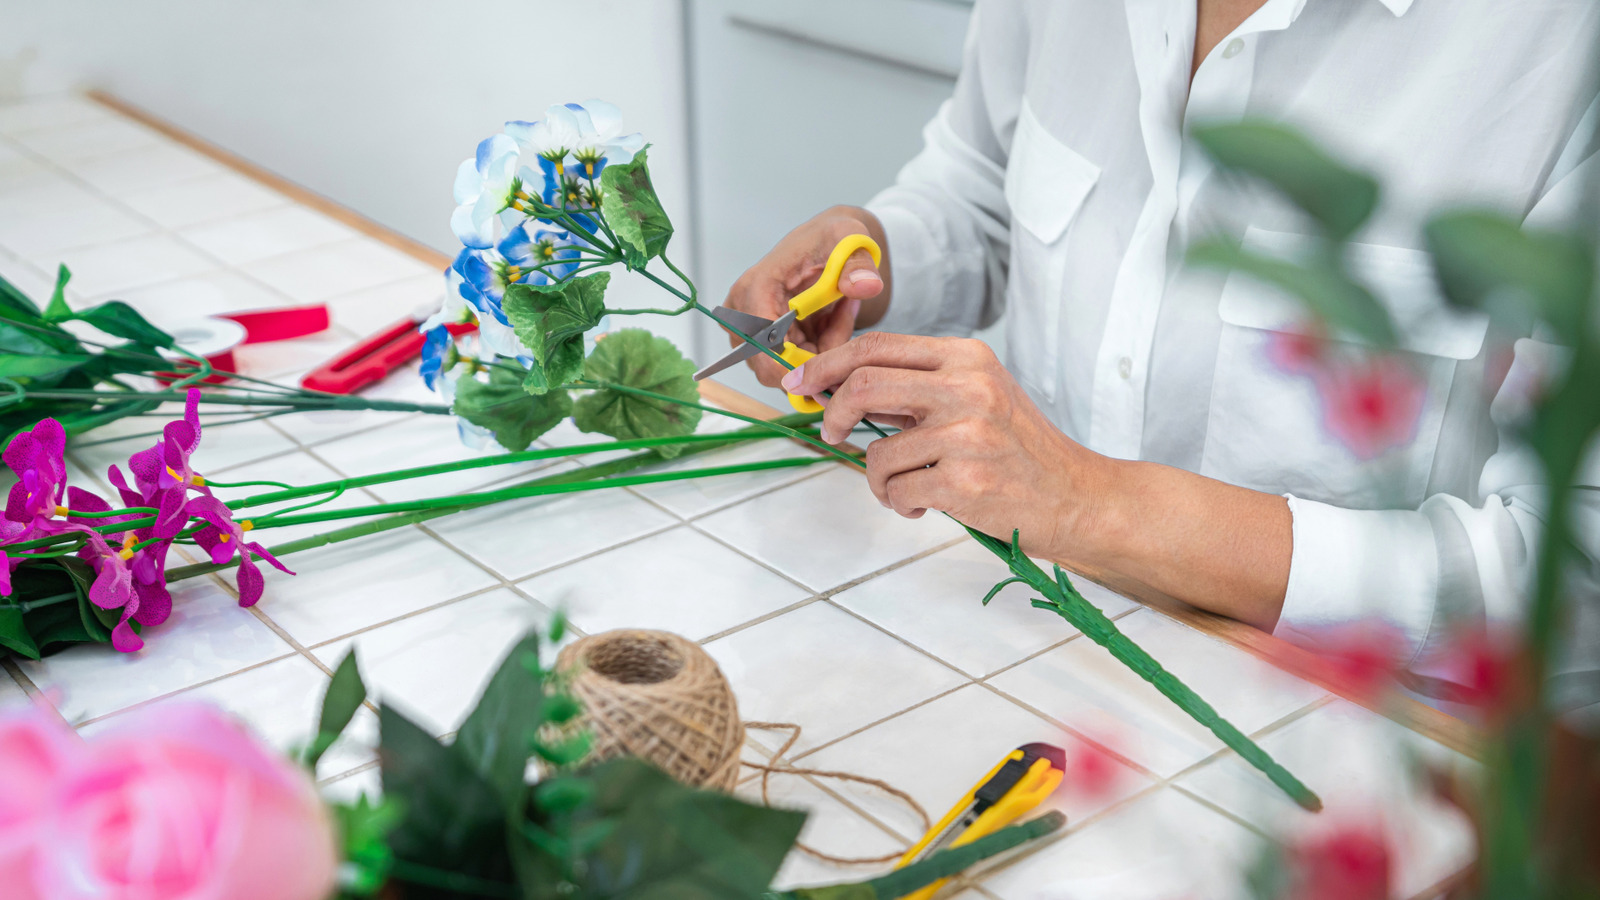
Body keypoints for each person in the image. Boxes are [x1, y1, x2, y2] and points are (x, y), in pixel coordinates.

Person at [718, 0, 1600, 713]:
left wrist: (1092, 504)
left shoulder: (1560, 46)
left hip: (1369, 756)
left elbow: (1571, 586)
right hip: (1031, 652)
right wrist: (880, 251)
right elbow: (982, 180)